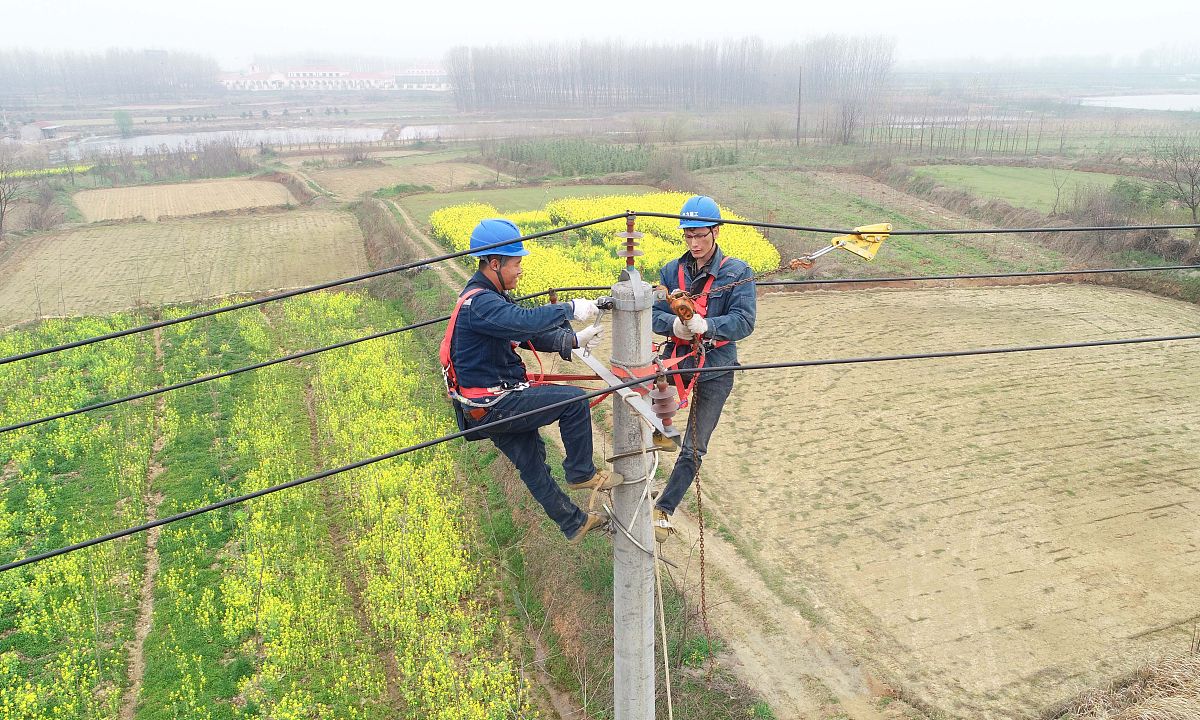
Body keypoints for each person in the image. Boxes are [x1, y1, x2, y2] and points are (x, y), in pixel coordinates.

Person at [441, 218, 617, 543]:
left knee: (533, 466)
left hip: (481, 410)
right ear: (495, 263)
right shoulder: (480, 303)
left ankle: (574, 522)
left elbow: (525, 335)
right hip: (496, 403)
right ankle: (581, 473)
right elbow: (523, 322)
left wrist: (572, 341)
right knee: (574, 401)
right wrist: (569, 308)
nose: (520, 270)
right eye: (516, 263)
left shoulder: (488, 299)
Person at [650, 196, 756, 542]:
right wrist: (675, 327)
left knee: (696, 446)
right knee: (647, 406)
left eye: (701, 236)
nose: (694, 244)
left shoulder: (736, 272)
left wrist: (707, 325)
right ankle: (648, 458)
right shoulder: (671, 272)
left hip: (717, 365)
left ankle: (664, 508)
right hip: (678, 359)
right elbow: (652, 313)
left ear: (715, 231)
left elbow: (744, 321)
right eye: (688, 236)